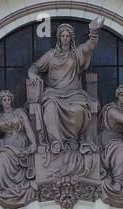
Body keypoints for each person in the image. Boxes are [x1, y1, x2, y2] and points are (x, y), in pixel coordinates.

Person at [27, 19, 101, 153]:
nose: (65, 38)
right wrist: (31, 73)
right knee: (50, 108)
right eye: (62, 36)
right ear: (59, 37)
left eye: (67, 36)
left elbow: (90, 45)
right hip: (54, 94)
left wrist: (94, 32)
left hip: (75, 94)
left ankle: (72, 139)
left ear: (71, 38)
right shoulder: (51, 55)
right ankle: (56, 142)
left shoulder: (76, 53)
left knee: (78, 109)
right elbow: (35, 67)